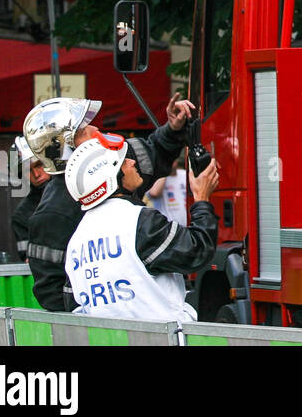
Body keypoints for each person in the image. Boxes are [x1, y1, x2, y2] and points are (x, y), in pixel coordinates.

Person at [25, 93, 191, 311]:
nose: (96, 130)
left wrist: (173, 128)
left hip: (148, 311)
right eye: (84, 130)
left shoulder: (116, 160)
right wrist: (101, 310)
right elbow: (51, 293)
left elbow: (154, 152)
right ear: (64, 148)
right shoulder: (51, 215)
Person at [62, 128, 218, 323]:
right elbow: (197, 251)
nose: (132, 161)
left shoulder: (76, 240)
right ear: (111, 176)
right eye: (124, 160)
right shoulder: (137, 221)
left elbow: (73, 305)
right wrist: (202, 199)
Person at [11, 136, 49, 262]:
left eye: (39, 165)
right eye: (28, 170)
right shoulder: (22, 215)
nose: (36, 175)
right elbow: (29, 261)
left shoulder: (76, 193)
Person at [146, 152, 188, 227]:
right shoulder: (157, 179)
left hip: (187, 228)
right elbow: (154, 193)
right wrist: (165, 169)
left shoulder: (184, 174)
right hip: (169, 230)